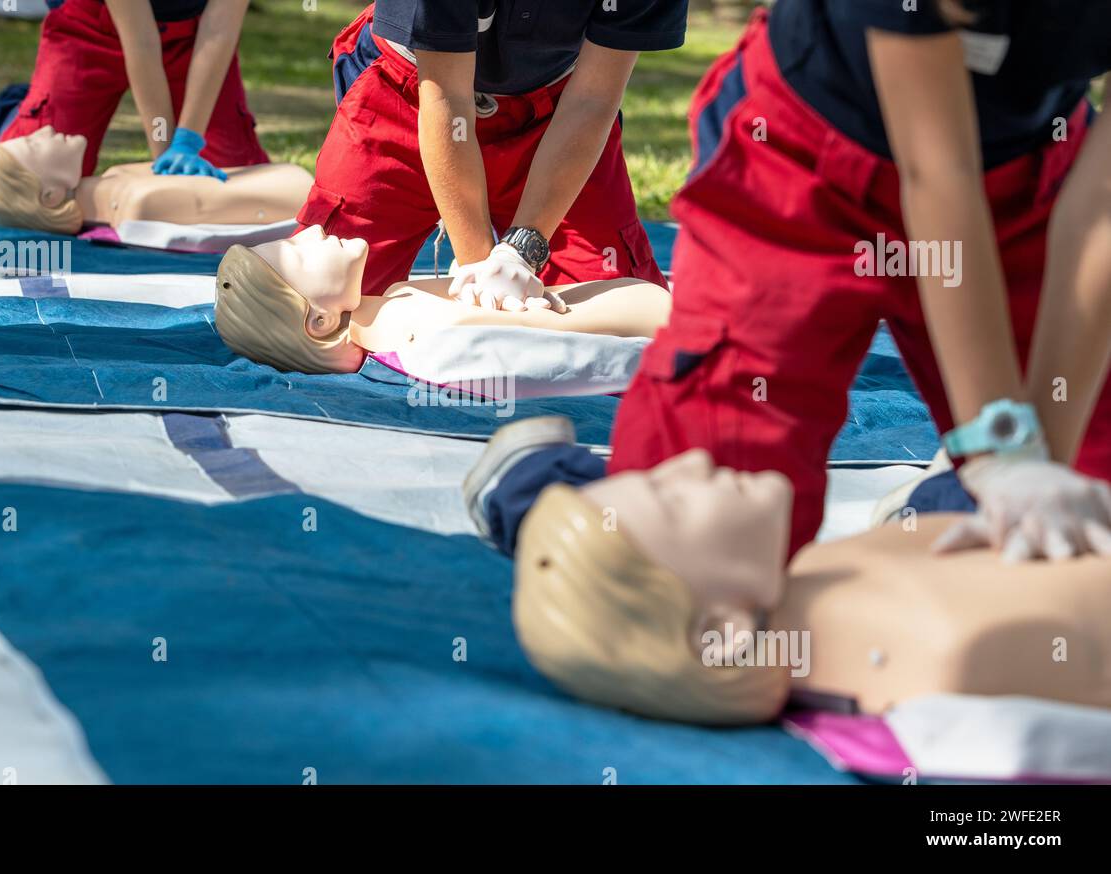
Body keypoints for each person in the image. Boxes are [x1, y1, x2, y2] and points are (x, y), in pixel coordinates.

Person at [467, 0, 1111, 564]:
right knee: (699, 542)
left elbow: (1101, 208)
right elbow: (938, 172)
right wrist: (1002, 442)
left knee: (1083, 514)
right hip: (803, 162)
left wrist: (1035, 458)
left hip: (1022, 177)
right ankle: (541, 490)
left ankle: (942, 508)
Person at [512, 439, 1111, 725]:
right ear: (722, 632)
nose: (689, 463)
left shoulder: (815, 577)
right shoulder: (945, 644)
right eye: (671, 499)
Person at [295, 1, 688, 311]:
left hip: (552, 113)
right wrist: (478, 271)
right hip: (409, 95)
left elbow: (592, 98)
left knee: (631, 316)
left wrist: (520, 251)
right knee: (318, 302)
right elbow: (448, 96)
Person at [212, 225, 672, 374]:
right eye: (296, 251)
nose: (311, 229)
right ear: (316, 319)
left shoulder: (394, 301)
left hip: (642, 308)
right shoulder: (410, 329)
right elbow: (557, 340)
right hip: (657, 320)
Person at [0, 0, 268, 182]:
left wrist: (187, 142)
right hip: (89, 24)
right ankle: (19, 110)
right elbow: (141, 41)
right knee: (36, 176)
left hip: (191, 38)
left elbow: (219, 31)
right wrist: (165, 161)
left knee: (236, 173)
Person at [0, 126, 311, 235]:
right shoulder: (139, 203)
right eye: (34, 143)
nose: (45, 130)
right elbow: (292, 201)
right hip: (311, 195)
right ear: (49, 195)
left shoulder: (117, 176)